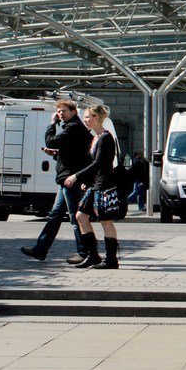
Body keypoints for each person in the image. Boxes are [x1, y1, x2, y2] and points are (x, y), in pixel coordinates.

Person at [22, 101, 91, 262]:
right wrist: (56, 154)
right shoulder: (72, 127)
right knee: (55, 215)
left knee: (75, 217)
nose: (61, 114)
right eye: (59, 112)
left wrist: (52, 124)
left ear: (73, 112)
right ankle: (40, 249)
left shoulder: (73, 127)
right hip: (66, 177)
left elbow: (50, 141)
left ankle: (84, 252)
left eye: (64, 111)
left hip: (70, 179)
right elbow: (73, 152)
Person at [70, 102, 126, 269]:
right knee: (81, 216)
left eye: (87, 117)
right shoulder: (96, 137)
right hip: (95, 184)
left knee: (105, 221)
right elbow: (93, 164)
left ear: (96, 117)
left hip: (104, 185)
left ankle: (111, 260)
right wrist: (87, 181)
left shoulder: (106, 138)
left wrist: (77, 176)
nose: (85, 120)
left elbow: (99, 163)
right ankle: (92, 255)